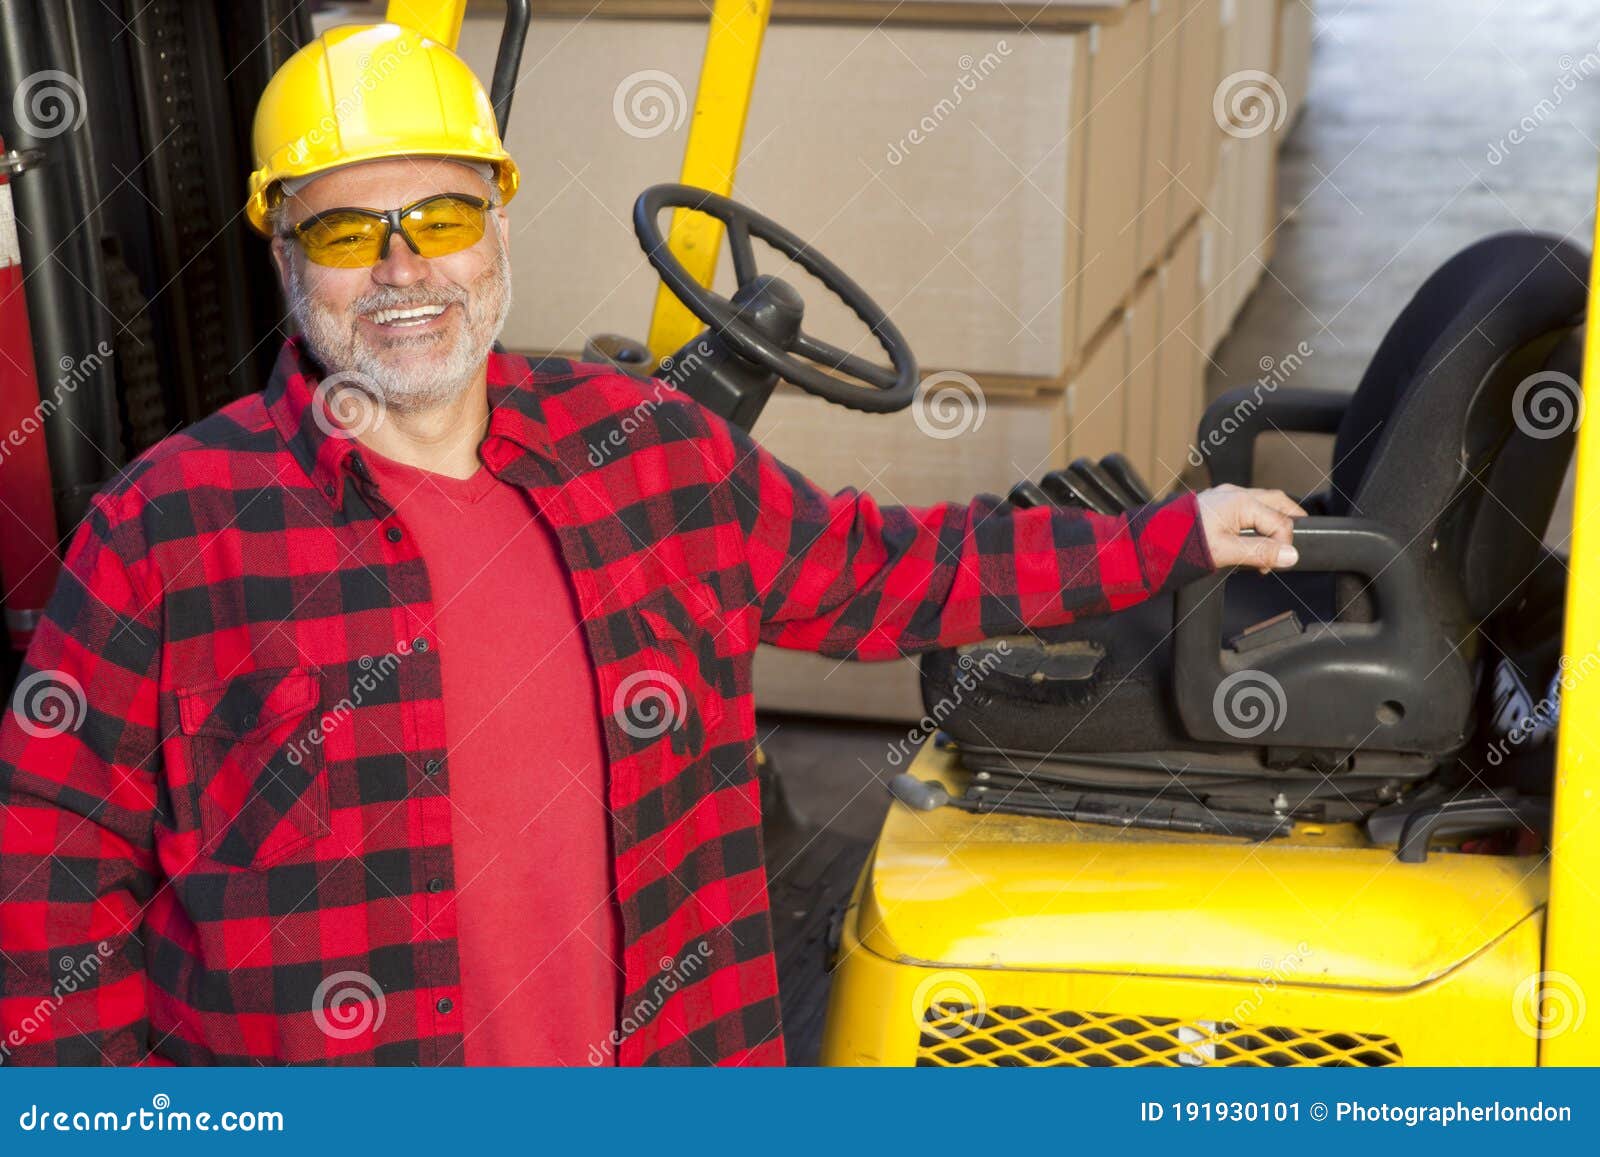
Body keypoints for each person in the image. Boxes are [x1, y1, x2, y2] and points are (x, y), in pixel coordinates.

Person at [0, 23, 1301, 1067]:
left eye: (442, 217)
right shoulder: (168, 528)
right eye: (347, 232)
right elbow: (54, 867)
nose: (403, 268)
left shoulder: (649, 452)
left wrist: (1166, 537)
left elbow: (885, 571)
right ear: (283, 252)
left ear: (500, 225)